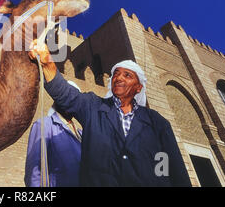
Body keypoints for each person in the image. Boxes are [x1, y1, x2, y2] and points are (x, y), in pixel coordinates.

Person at [28, 40, 191, 187]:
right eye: (116, 74)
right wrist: (48, 63)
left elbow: (172, 170)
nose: (119, 78)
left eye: (127, 75)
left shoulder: (157, 123)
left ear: (138, 87)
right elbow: (66, 94)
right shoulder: (93, 107)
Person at [24, 81, 82, 187]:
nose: (70, 101)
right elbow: (34, 172)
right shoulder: (44, 125)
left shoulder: (80, 134)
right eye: (66, 96)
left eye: (74, 99)